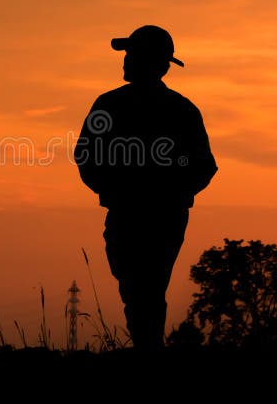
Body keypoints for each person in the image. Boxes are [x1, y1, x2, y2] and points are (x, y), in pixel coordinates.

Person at [73, 25, 218, 350]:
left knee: (144, 289)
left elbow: (203, 167)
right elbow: (86, 155)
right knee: (141, 288)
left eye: (132, 55)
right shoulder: (174, 108)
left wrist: (166, 194)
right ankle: (148, 347)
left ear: (154, 63)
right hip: (145, 214)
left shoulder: (117, 106)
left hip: (151, 215)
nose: (125, 61)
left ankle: (148, 349)